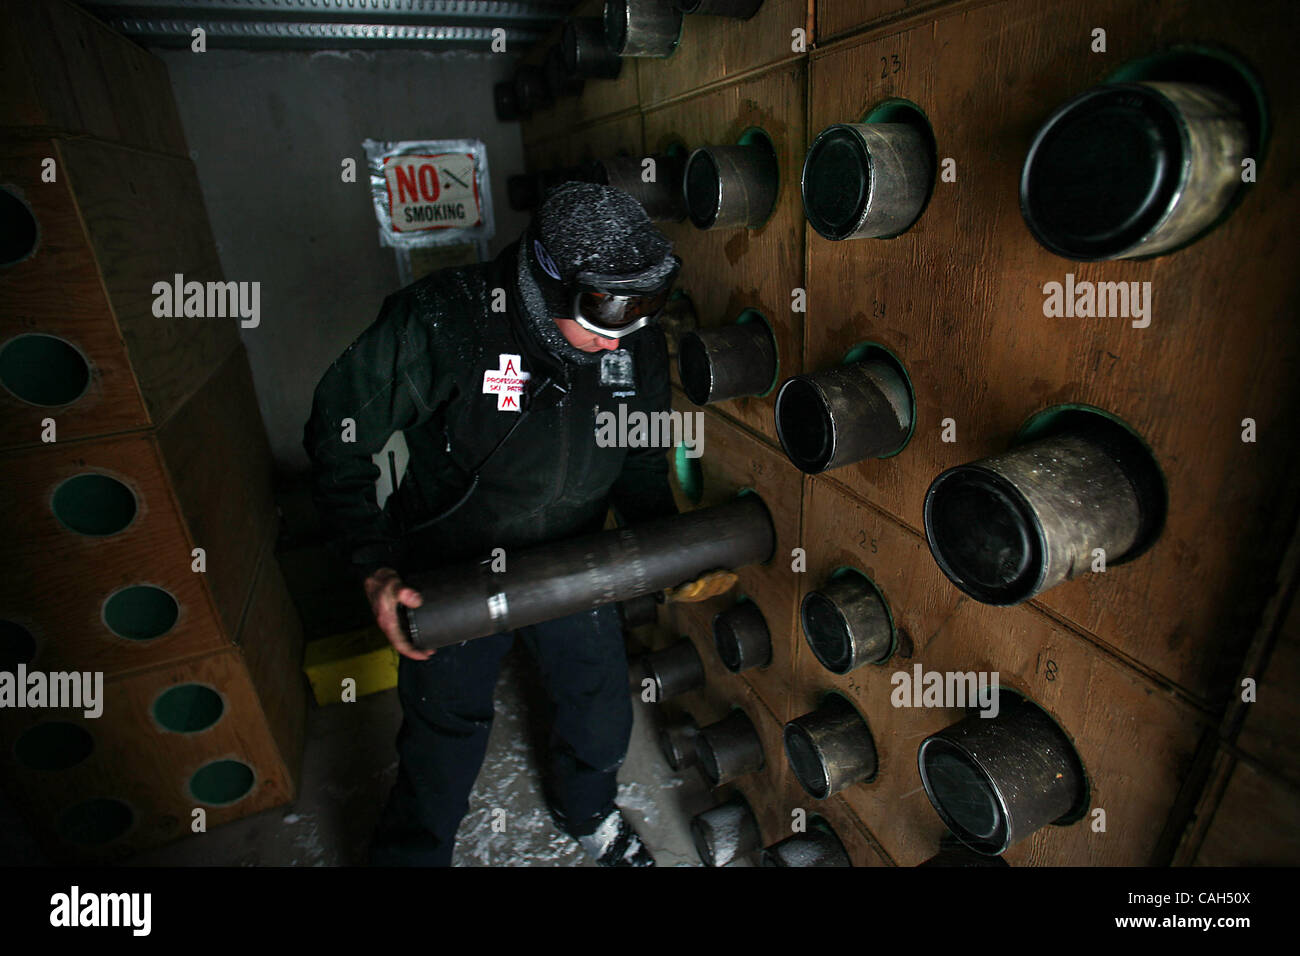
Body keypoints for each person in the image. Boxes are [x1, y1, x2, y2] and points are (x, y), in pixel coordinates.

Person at [303, 182, 683, 866]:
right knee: (443, 735)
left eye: (642, 309)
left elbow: (644, 452)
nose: (619, 335)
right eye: (606, 309)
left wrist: (667, 546)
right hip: (451, 567)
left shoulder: (631, 343)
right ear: (547, 281)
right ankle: (411, 856)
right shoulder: (444, 320)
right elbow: (339, 432)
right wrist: (374, 565)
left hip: (572, 559)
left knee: (600, 714)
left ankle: (588, 813)